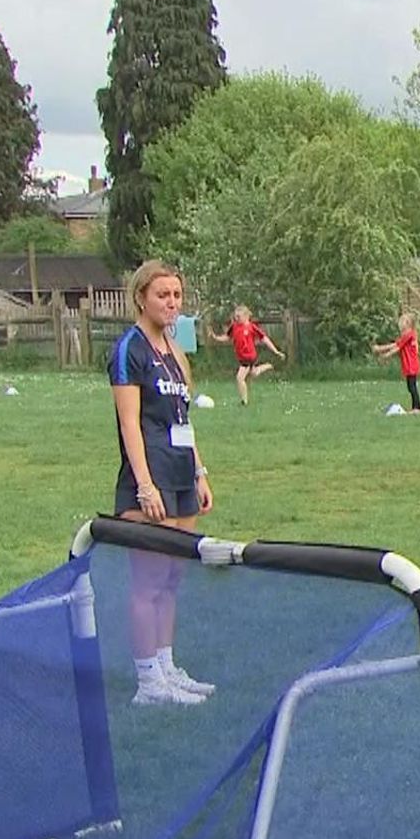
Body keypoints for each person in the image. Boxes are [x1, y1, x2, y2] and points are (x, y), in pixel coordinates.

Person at [107, 259, 217, 706]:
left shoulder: (175, 352)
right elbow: (130, 424)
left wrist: (200, 471)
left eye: (176, 295)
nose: (171, 303)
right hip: (148, 479)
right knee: (148, 584)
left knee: (172, 579)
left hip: (181, 476)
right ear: (141, 298)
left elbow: (182, 419)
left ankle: (168, 668)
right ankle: (148, 680)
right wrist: (145, 485)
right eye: (162, 295)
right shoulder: (129, 350)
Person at [206, 304, 284, 407]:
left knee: (240, 378)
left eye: (239, 317)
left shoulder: (251, 327)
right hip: (241, 357)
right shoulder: (234, 327)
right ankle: (268, 366)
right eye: (235, 317)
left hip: (249, 356)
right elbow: (227, 337)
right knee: (254, 373)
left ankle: (244, 402)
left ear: (246, 316)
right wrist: (216, 337)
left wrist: (275, 351)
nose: (236, 319)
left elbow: (264, 339)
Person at [373, 312, 420, 414]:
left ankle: (417, 408)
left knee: (412, 387)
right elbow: (396, 344)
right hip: (409, 366)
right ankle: (416, 407)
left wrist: (383, 354)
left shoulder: (409, 335)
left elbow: (397, 347)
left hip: (411, 365)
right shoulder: (408, 335)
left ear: (408, 324)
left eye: (403, 324)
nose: (401, 327)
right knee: (411, 387)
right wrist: (381, 349)